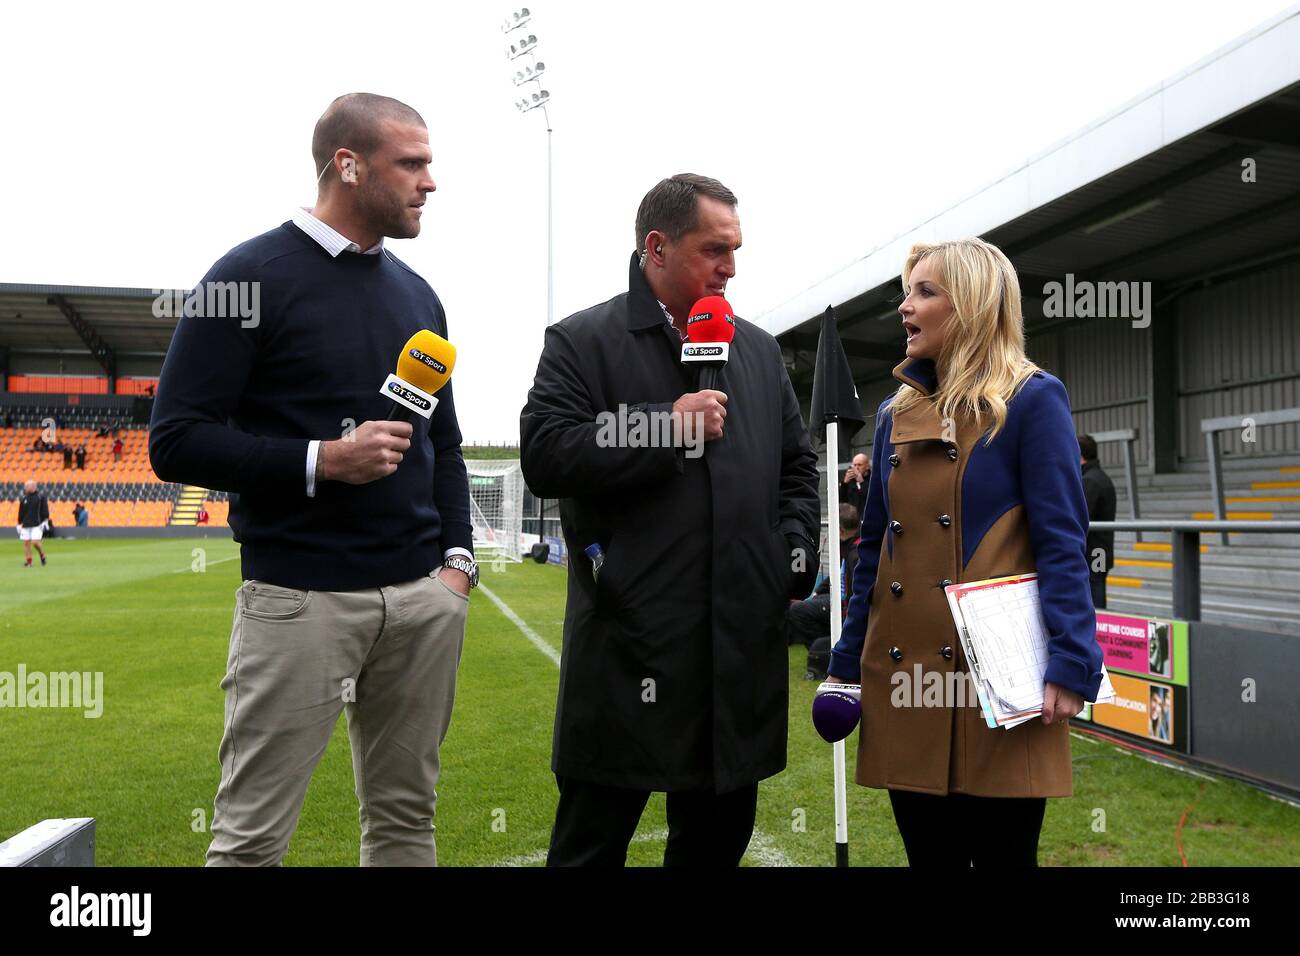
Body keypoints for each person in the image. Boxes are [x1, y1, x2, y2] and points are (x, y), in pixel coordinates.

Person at [150, 92, 475, 867]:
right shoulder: (247, 275)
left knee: (405, 825)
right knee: (252, 842)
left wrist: (456, 565)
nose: (430, 181)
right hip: (299, 602)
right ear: (348, 165)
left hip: (423, 602)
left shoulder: (419, 293)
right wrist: (320, 461)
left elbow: (448, 447)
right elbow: (176, 439)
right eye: (413, 163)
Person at [520, 173, 821, 867]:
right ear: (657, 247)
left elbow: (797, 470)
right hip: (630, 648)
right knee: (590, 846)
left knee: (715, 846)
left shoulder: (757, 350)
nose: (731, 268)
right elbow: (544, 454)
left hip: (738, 645)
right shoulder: (582, 340)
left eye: (736, 249)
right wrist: (660, 427)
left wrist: (790, 552)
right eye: (715, 249)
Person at [827, 238, 1104, 867]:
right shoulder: (894, 413)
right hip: (906, 681)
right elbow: (871, 551)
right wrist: (845, 664)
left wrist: (1071, 659)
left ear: (974, 305)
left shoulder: (1034, 398)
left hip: (999, 684)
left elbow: (1063, 542)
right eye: (907, 291)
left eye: (925, 292)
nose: (905, 307)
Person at [785, 502, 860, 648]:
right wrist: (818, 592)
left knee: (798, 610)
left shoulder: (855, 554)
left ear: (840, 530)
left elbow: (852, 594)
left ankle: (821, 648)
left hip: (843, 605)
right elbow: (837, 575)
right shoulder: (847, 546)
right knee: (801, 605)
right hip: (836, 598)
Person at [1079, 434, 1116, 610]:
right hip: (1100, 548)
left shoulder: (1090, 480)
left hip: (1095, 550)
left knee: (1095, 585)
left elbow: (1081, 515)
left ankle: (1099, 626)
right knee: (1096, 582)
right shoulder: (1100, 476)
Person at [16, 480, 49, 567]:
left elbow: (44, 509)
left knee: (34, 542)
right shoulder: (24, 498)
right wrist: (19, 523)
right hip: (26, 524)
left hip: (37, 524)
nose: (25, 488)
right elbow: (21, 511)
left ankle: (42, 554)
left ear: (33, 487)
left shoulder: (40, 497)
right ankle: (29, 561)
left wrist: (45, 519)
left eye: (27, 486)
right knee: (26, 543)